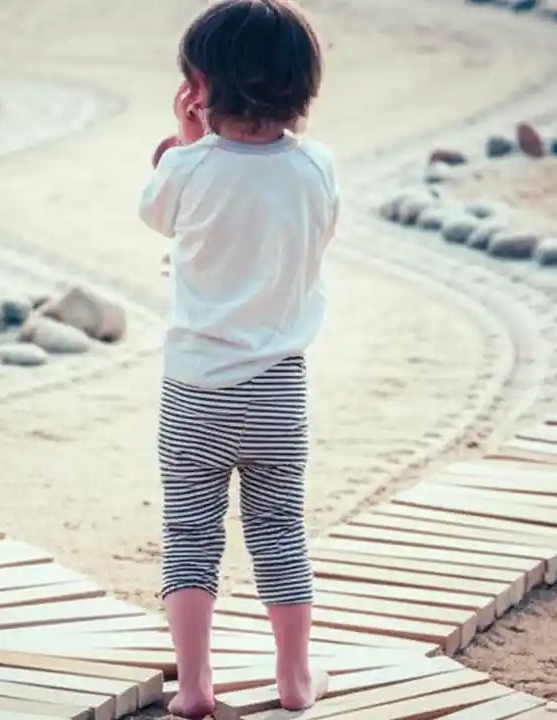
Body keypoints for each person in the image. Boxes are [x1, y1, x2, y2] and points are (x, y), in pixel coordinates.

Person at [137, 1, 338, 717]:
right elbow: (315, 231)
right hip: (278, 390)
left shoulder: (189, 168)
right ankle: (293, 679)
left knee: (190, 536)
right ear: (303, 86)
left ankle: (194, 689)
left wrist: (184, 142)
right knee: (279, 531)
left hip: (193, 390)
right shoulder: (317, 169)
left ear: (197, 84)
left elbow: (155, 213)